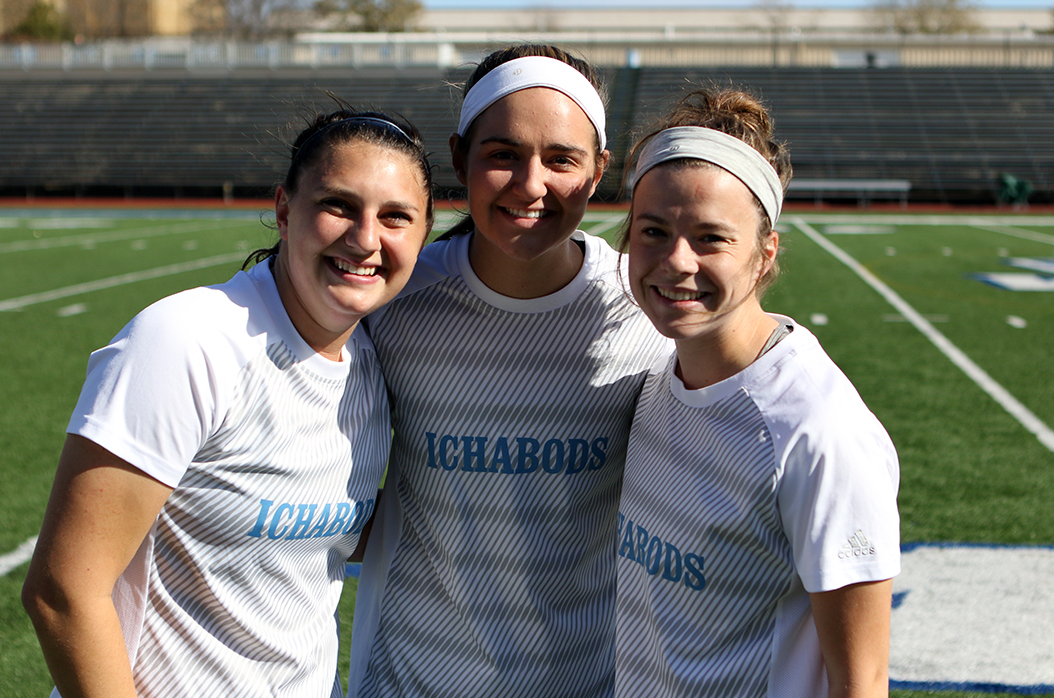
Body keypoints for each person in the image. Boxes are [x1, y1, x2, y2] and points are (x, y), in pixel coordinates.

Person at [21, 109, 434, 698]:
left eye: (395, 217)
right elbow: (63, 592)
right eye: (338, 205)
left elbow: (320, 526)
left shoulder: (370, 360)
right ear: (284, 211)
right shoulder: (187, 340)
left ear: (423, 235)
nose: (366, 238)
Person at [348, 45, 670, 698]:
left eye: (561, 159)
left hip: (586, 680)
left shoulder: (646, 309)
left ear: (599, 170)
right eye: (503, 154)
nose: (530, 184)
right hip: (412, 679)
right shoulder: (392, 299)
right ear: (460, 157)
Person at [614, 88, 900, 698]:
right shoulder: (659, 377)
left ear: (765, 254)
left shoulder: (816, 432)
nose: (677, 261)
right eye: (654, 231)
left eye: (711, 238)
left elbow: (863, 682)